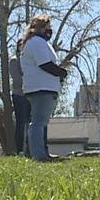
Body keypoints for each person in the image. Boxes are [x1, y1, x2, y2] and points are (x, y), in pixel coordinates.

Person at [20, 15, 65, 161]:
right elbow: (44, 64)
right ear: (39, 28)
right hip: (41, 87)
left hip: (41, 87)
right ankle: (38, 154)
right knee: (38, 123)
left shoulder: (36, 42)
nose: (49, 31)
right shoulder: (37, 42)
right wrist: (61, 72)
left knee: (40, 122)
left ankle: (41, 151)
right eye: (47, 28)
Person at [9, 44, 30, 156]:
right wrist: (29, 83)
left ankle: (30, 149)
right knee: (20, 123)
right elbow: (16, 78)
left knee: (30, 123)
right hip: (19, 95)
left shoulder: (29, 60)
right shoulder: (14, 60)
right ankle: (19, 150)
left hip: (30, 95)